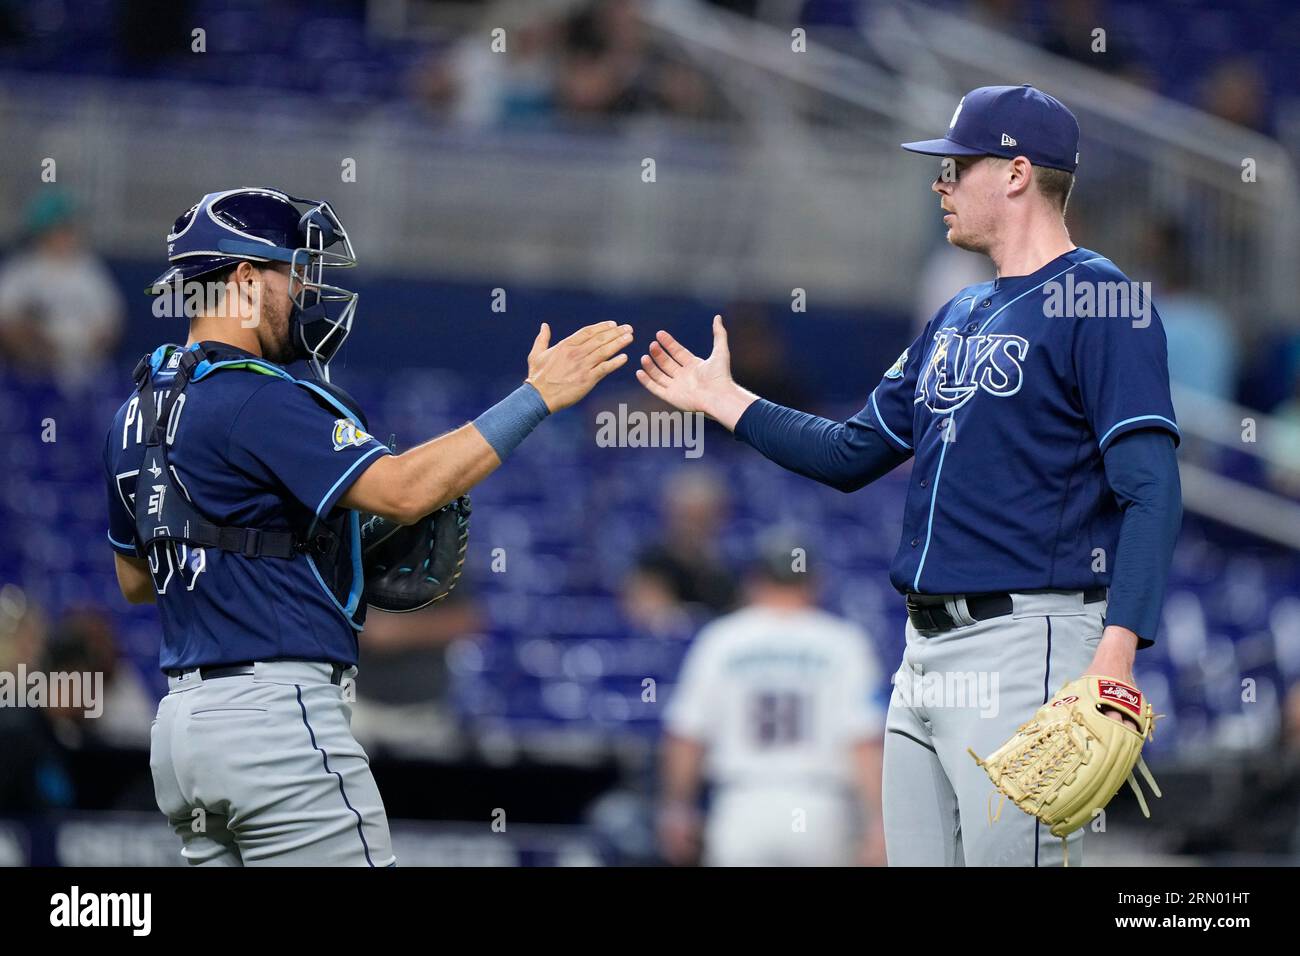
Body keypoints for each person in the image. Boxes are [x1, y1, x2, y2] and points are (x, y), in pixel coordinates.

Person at [636, 86, 1183, 866]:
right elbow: (849, 454)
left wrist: (1117, 654)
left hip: (1030, 639)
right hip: (922, 653)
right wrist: (725, 400)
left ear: (1018, 173)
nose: (941, 184)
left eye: (958, 167)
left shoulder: (1100, 301)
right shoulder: (957, 315)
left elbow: (1152, 489)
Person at [103, 187, 632, 866]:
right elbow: (407, 491)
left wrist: (276, 548)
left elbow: (136, 581)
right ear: (243, 278)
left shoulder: (136, 411)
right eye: (292, 275)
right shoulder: (256, 395)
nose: (304, 294)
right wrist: (537, 398)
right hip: (275, 726)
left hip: (182, 738)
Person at [659, 534, 886, 866]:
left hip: (741, 805)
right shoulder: (843, 642)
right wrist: (876, 821)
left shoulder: (722, 639)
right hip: (819, 807)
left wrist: (676, 808)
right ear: (813, 582)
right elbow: (863, 742)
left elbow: (687, 735)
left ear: (755, 580)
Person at [0, 191, 123, 385]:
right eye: (61, 228)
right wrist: (41, 348)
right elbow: (8, 325)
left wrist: (79, 349)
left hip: (84, 374)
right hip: (29, 375)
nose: (68, 235)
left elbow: (110, 325)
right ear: (44, 231)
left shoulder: (90, 271)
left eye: (70, 228)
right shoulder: (20, 272)